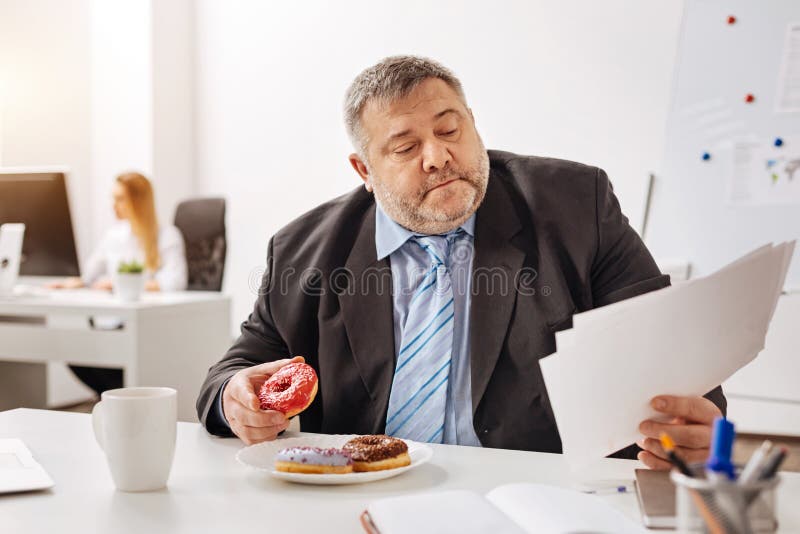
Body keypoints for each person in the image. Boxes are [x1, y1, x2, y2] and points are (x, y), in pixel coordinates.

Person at [196, 56, 725, 470]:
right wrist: (233, 398)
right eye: (405, 147)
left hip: (531, 495)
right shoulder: (302, 249)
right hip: (359, 498)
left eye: (450, 131)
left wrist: (701, 425)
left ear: (472, 124)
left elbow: (670, 348)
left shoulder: (575, 204)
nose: (437, 156)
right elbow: (232, 372)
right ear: (364, 168)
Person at [50, 172, 188, 395]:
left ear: (139, 200)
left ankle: (123, 400)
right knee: (75, 351)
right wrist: (71, 282)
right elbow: (89, 274)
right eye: (113, 198)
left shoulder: (167, 236)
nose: (114, 205)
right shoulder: (114, 236)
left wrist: (120, 283)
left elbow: (174, 282)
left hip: (145, 326)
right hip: (109, 321)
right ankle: (113, 400)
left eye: (120, 198)